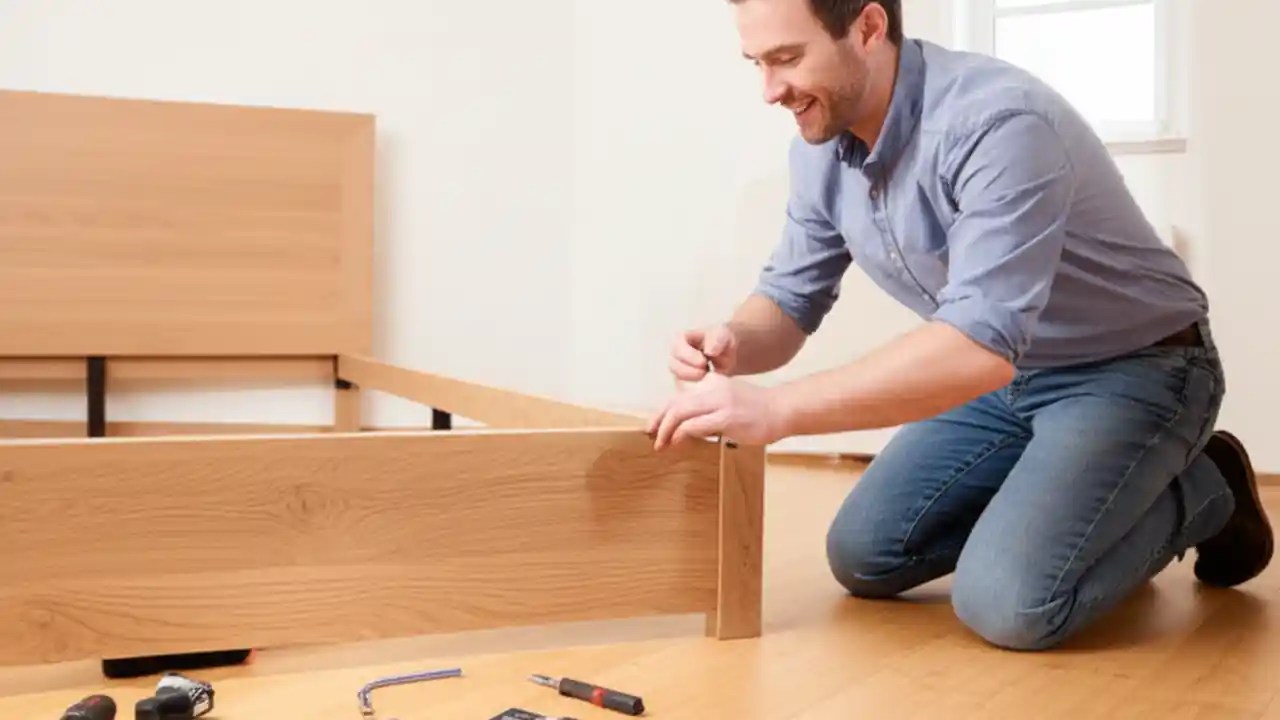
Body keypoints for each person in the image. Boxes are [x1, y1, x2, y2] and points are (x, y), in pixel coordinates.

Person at [645, 0, 1273, 651]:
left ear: (867, 28)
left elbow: (976, 348)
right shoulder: (822, 146)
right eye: (758, 64)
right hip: (1013, 374)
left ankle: (1206, 488)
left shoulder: (998, 123)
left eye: (787, 59)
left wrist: (776, 412)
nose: (771, 90)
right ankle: (1081, 501)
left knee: (1012, 604)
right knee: (865, 557)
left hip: (1138, 369)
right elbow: (788, 298)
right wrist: (734, 340)